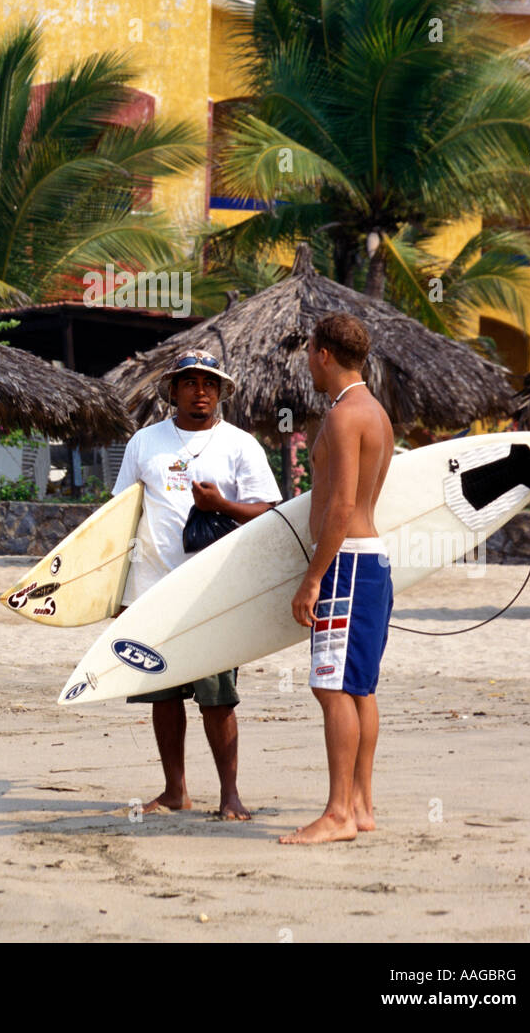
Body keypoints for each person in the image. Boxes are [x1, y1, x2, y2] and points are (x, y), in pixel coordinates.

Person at [112, 349, 281, 820]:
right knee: (162, 696)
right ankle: (174, 791)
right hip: (152, 588)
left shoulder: (241, 445)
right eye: (189, 383)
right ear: (173, 391)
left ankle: (230, 794)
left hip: (214, 592)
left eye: (209, 383)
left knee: (217, 697)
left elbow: (271, 512)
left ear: (222, 391)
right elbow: (120, 516)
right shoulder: (144, 443)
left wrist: (222, 505)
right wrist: (118, 596)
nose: (200, 391)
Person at [281, 312, 394, 846]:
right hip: (370, 560)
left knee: (331, 688)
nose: (308, 362)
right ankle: (362, 805)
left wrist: (312, 578)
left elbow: (342, 505)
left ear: (324, 354)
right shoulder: (377, 412)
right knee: (360, 688)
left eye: (309, 352)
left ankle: (337, 815)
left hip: (346, 564)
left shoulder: (345, 416)